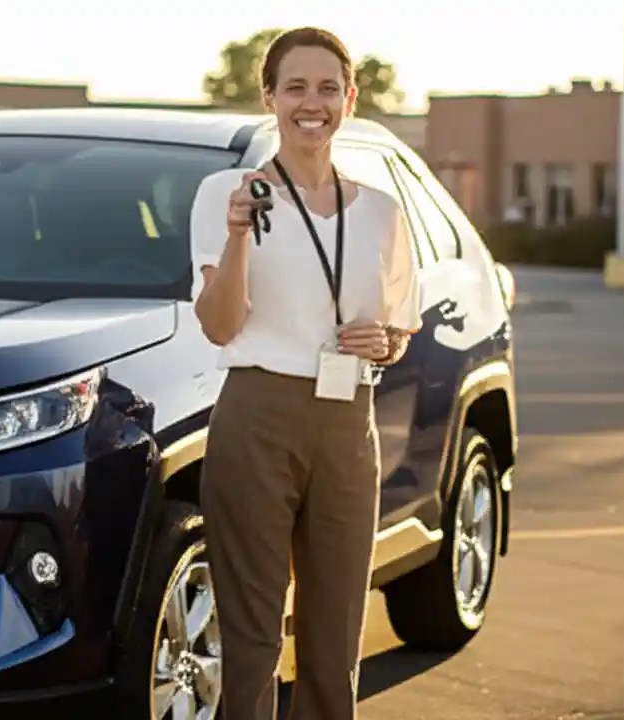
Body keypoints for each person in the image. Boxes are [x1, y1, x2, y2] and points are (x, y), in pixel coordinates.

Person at [190, 26, 422, 720]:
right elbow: (220, 325)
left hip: (349, 426)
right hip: (257, 417)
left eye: (327, 88)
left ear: (349, 99)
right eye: (295, 87)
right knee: (255, 635)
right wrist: (236, 238)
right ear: (269, 97)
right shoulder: (227, 194)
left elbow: (400, 333)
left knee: (334, 636)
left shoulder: (382, 212)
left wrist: (383, 341)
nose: (310, 103)